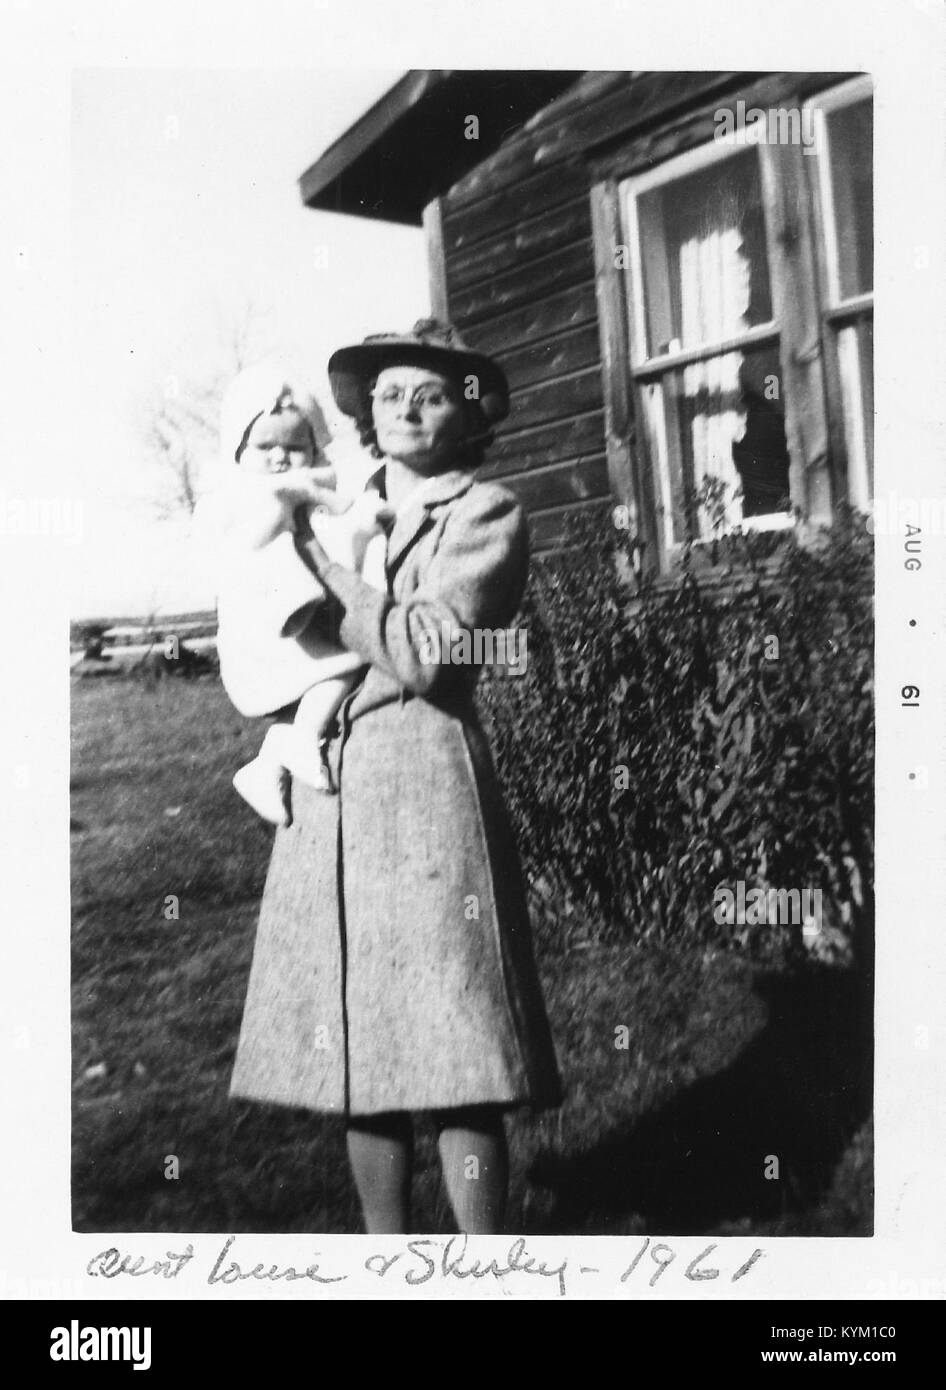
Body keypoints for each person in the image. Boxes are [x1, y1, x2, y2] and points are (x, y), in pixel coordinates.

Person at [228, 320, 562, 1234]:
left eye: (430, 392)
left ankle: (487, 1266)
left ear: (468, 413)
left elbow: (428, 653)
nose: (406, 408)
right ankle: (386, 1263)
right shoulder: (336, 496)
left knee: (455, 1040)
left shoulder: (485, 514)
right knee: (354, 1050)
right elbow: (260, 613)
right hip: (330, 790)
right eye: (387, 394)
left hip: (425, 787)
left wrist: (322, 570)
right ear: (366, 418)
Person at [200, 364, 393, 824]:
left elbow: (331, 543)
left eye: (294, 447)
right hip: (267, 629)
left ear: (314, 449)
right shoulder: (233, 499)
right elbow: (233, 550)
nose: (281, 459)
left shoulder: (313, 497)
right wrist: (282, 503)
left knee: (331, 673)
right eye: (265, 447)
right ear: (239, 450)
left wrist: (361, 522)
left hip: (303, 622)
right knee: (340, 668)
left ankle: (269, 763)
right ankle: (298, 741)